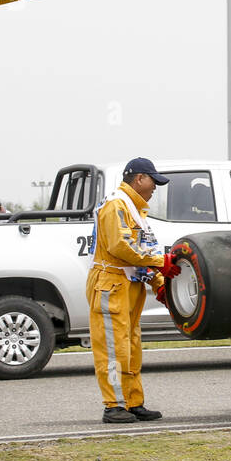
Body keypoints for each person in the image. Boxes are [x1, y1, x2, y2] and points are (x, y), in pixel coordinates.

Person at [86, 158, 181, 424]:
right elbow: (122, 247)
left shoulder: (134, 209)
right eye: (153, 181)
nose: (155, 188)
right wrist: (162, 263)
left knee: (130, 348)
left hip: (127, 287)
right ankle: (114, 406)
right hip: (111, 285)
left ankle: (132, 402)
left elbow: (141, 253)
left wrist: (159, 283)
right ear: (139, 179)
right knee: (114, 349)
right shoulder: (117, 204)